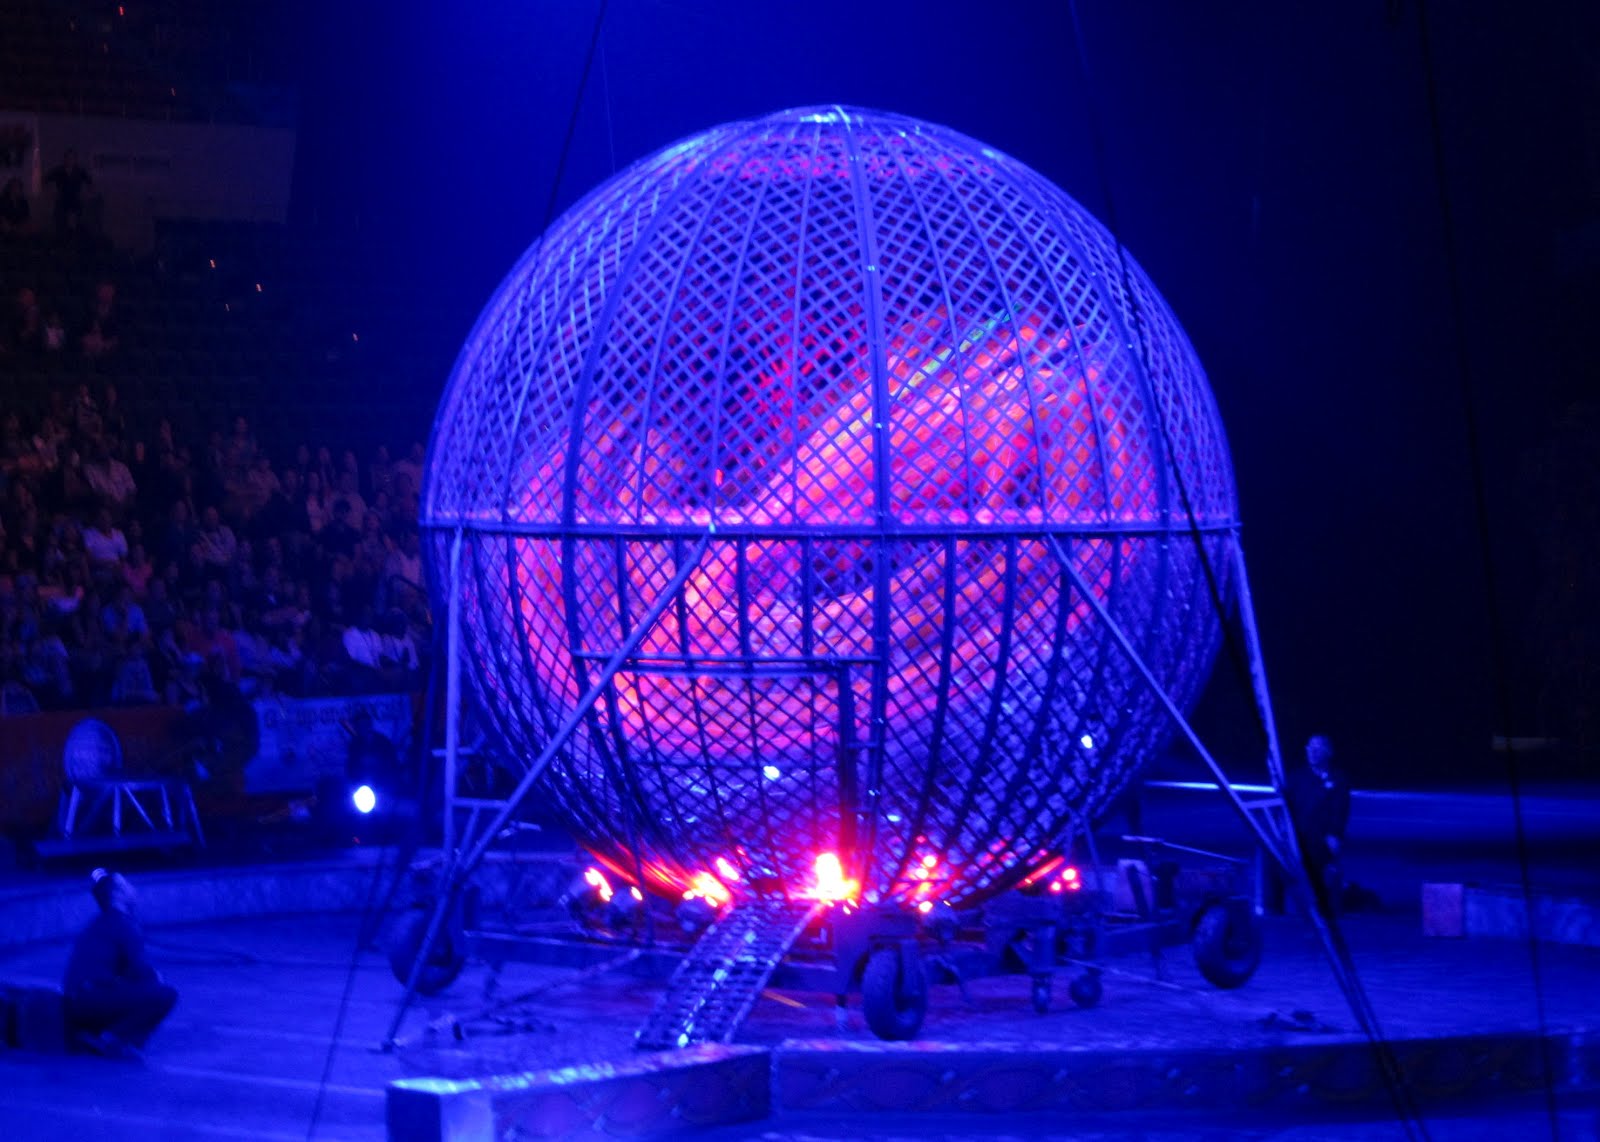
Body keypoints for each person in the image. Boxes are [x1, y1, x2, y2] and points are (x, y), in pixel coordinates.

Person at [62, 869, 178, 1059]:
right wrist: (155, 976)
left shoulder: (98, 923)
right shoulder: (123, 924)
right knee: (164, 994)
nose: (133, 889)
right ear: (118, 895)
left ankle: (99, 1034)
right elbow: (140, 971)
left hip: (76, 1001)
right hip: (91, 998)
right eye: (127, 886)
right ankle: (112, 1039)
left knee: (140, 989)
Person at [1287, 735, 1351, 915]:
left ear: (1328, 753)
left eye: (1318, 748)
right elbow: (1286, 808)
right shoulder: (1296, 779)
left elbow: (1341, 809)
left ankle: (1330, 905)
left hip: (1323, 839)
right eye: (1310, 747)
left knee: (1326, 876)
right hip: (1299, 837)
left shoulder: (1338, 779)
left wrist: (1334, 834)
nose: (1313, 751)